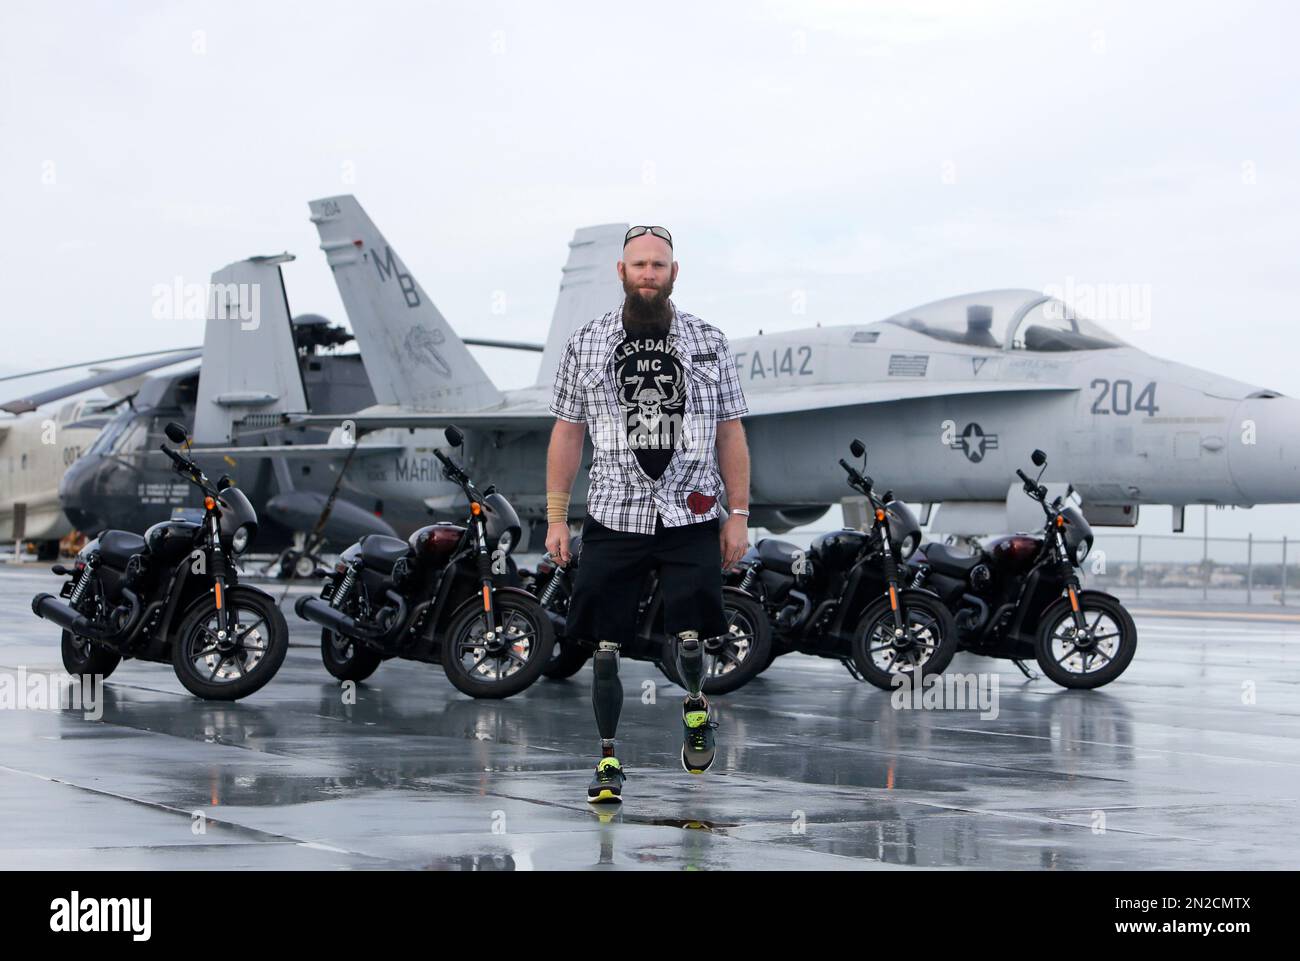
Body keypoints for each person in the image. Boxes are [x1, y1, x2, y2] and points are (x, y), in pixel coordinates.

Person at [545, 224, 751, 803]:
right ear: (622, 272)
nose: (648, 275)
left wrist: (737, 513)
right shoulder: (587, 343)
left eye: (658, 266)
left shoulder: (709, 341)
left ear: (673, 273)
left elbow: (731, 432)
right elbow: (566, 432)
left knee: (691, 636)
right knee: (603, 649)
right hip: (614, 513)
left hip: (691, 510)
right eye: (639, 265)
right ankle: (608, 760)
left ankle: (694, 705)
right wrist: (557, 518)